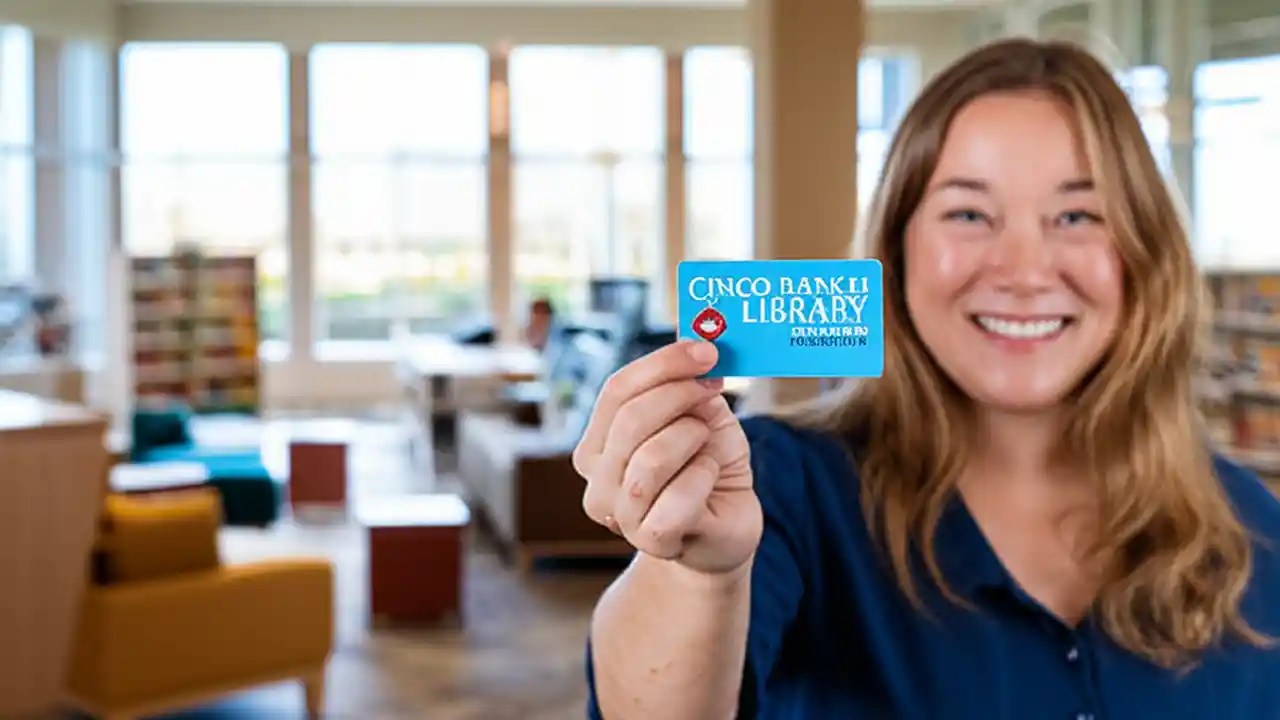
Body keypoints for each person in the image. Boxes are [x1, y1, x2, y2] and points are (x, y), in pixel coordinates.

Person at [574, 37, 1280, 720]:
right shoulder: (776, 485)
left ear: (1142, 253)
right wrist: (695, 573)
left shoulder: (1253, 526)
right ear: (897, 249)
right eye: (969, 213)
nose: (1025, 271)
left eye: (1077, 215)